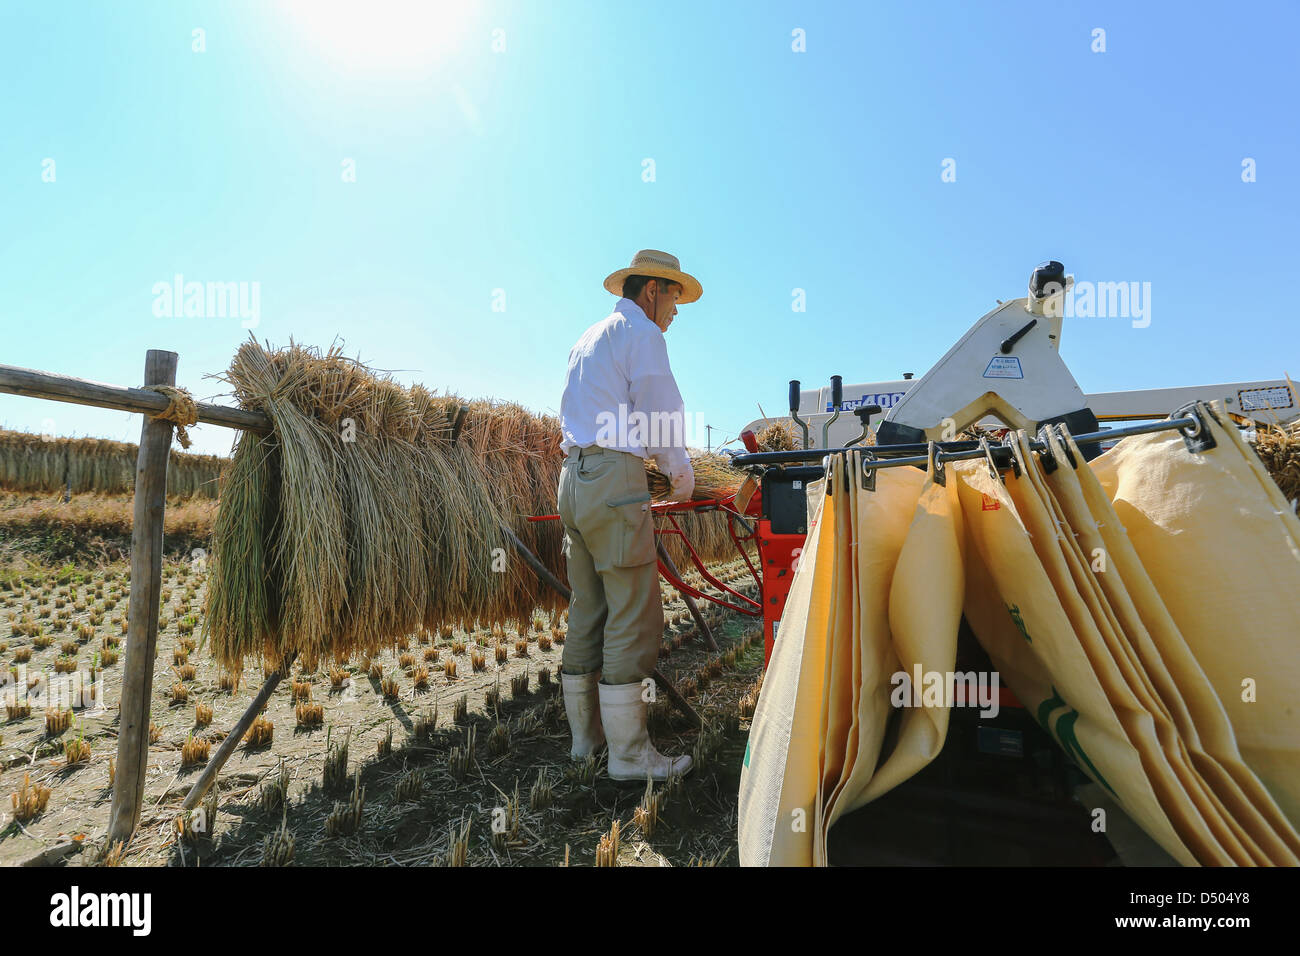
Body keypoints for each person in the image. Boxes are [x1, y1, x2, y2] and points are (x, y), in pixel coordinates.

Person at [556, 249, 701, 781]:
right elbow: (660, 410)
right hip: (615, 481)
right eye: (674, 297)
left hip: (572, 479)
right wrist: (679, 474)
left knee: (587, 607)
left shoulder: (587, 338)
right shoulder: (643, 335)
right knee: (633, 613)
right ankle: (630, 756)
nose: (676, 311)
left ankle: (584, 743)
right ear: (652, 292)